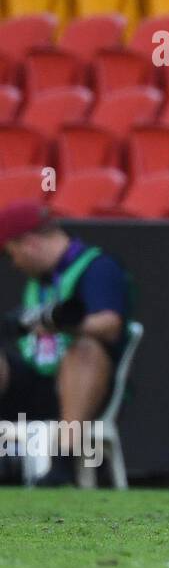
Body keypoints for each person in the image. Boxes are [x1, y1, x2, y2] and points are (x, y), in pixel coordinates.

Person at [0, 202, 135, 485]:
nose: (15, 265)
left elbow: (111, 325)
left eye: (12, 255)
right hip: (35, 382)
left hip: (83, 391)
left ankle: (64, 462)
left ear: (29, 243)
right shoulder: (39, 281)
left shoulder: (98, 268)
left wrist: (65, 324)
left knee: (85, 348)